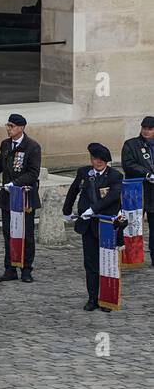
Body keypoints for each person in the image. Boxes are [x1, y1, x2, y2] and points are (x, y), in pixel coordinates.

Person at [63, 142, 124, 312]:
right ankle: (92, 298)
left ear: (106, 161)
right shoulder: (84, 172)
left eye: (100, 160)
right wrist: (66, 210)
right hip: (88, 226)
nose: (96, 163)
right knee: (90, 264)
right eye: (94, 159)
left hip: (105, 225)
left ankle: (107, 299)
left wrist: (93, 209)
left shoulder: (115, 176)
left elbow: (112, 197)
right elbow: (73, 190)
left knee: (107, 263)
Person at [0, 113, 41, 282]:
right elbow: (0, 163)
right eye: (7, 125)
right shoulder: (5, 144)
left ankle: (26, 269)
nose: (8, 129)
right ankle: (10, 268)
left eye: (12, 126)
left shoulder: (32, 147)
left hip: (24, 197)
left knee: (27, 235)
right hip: (8, 197)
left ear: (21, 127)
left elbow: (33, 173)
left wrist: (15, 183)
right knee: (8, 233)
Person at [120, 116, 154, 267]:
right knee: (131, 225)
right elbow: (128, 164)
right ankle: (129, 257)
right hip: (136, 192)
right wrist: (146, 174)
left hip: (152, 193)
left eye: (150, 129)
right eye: (144, 128)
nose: (146, 131)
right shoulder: (131, 144)